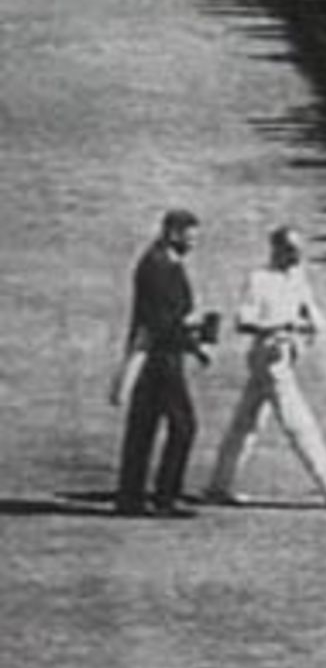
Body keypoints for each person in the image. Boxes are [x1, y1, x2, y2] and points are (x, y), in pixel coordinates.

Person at [205, 226, 326, 508]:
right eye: (290, 250)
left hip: (286, 356)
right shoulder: (259, 279)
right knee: (298, 422)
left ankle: (219, 485)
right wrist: (278, 326)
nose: (296, 256)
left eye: (299, 250)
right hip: (268, 356)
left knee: (245, 425)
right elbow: (243, 321)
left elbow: (312, 312)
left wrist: (311, 326)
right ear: (276, 249)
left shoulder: (298, 278)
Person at [112, 208, 207, 518]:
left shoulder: (158, 261)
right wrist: (193, 339)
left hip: (153, 353)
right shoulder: (159, 267)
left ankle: (130, 496)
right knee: (183, 425)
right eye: (189, 238)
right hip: (161, 357)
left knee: (143, 426)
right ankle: (166, 495)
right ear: (172, 233)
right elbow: (163, 321)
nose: (192, 245)